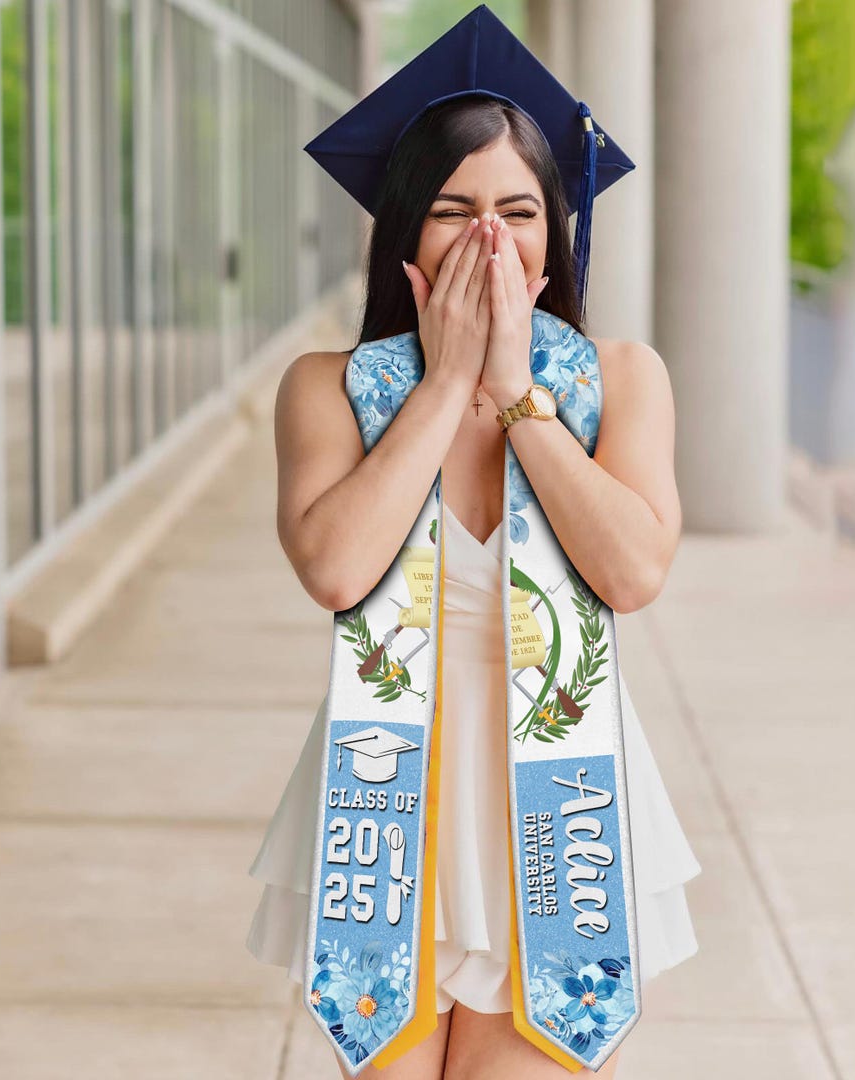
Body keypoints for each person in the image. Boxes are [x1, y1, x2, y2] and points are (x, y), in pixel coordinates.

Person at [246, 8, 702, 1078]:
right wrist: (446, 383)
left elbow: (633, 572)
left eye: (517, 211)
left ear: (555, 236)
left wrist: (516, 395)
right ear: (404, 233)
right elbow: (336, 569)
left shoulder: (621, 380)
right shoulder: (328, 389)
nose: (487, 239)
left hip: (564, 812)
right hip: (386, 802)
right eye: (452, 211)